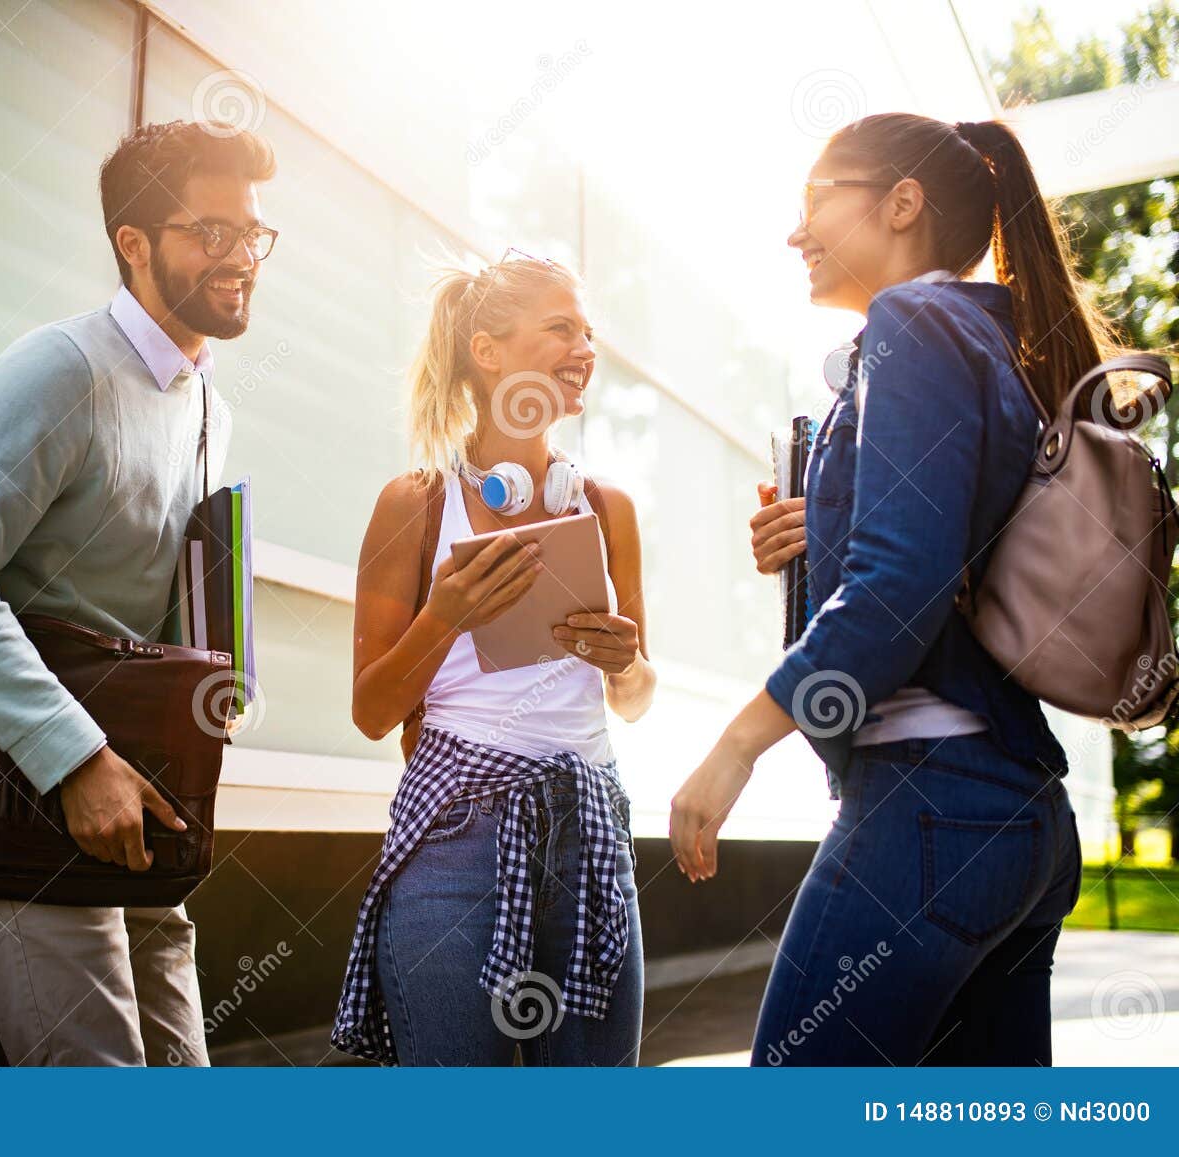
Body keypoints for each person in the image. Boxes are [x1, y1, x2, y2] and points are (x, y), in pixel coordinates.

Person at [669, 113, 1108, 1065]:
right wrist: (823, 524)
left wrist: (737, 745)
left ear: (902, 202)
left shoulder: (909, 323)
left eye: (816, 199)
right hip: (1017, 813)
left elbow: (901, 586)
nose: (796, 232)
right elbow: (955, 545)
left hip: (928, 806)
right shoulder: (992, 337)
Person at [0, 118, 277, 1066]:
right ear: (133, 245)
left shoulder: (210, 403)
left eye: (252, 234)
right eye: (209, 232)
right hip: (25, 799)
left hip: (133, 810)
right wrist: (76, 759)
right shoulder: (62, 369)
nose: (240, 258)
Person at [332, 251, 656, 1066]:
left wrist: (624, 662)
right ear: (488, 351)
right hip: (456, 833)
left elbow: (637, 697)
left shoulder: (607, 507)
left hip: (590, 827)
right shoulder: (416, 503)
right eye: (560, 329)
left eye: (589, 332)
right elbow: (372, 711)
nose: (585, 348)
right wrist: (446, 613)